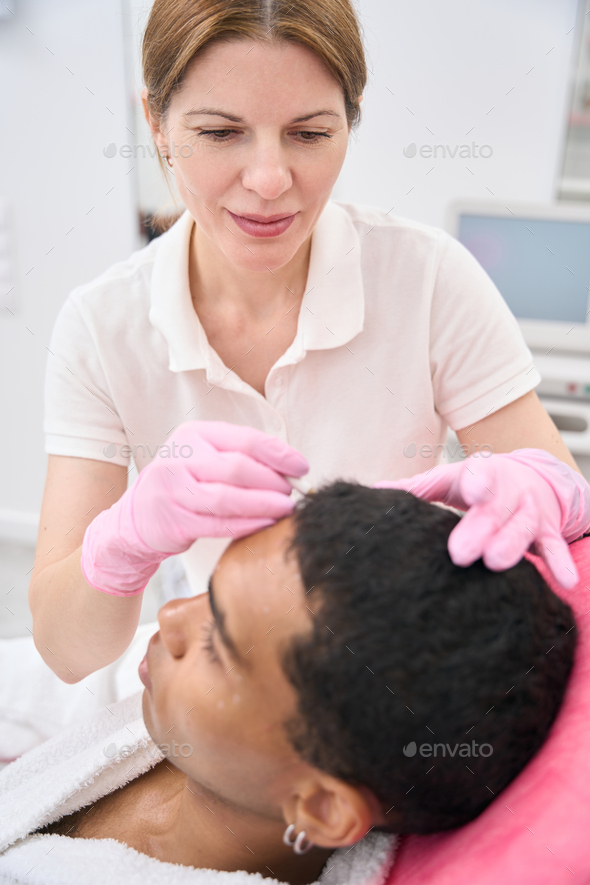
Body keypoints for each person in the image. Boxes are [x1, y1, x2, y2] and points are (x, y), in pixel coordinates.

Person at [29, 0, 588, 683]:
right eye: (221, 131)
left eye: (308, 134)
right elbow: (66, 652)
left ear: (349, 121)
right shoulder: (101, 326)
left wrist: (547, 495)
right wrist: (124, 542)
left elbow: (569, 526)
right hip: (236, 681)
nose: (269, 180)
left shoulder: (428, 278)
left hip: (404, 670)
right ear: (157, 124)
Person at [2, 485, 575, 883]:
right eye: (210, 594)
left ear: (322, 806)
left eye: (216, 644)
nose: (173, 616)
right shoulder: (227, 732)